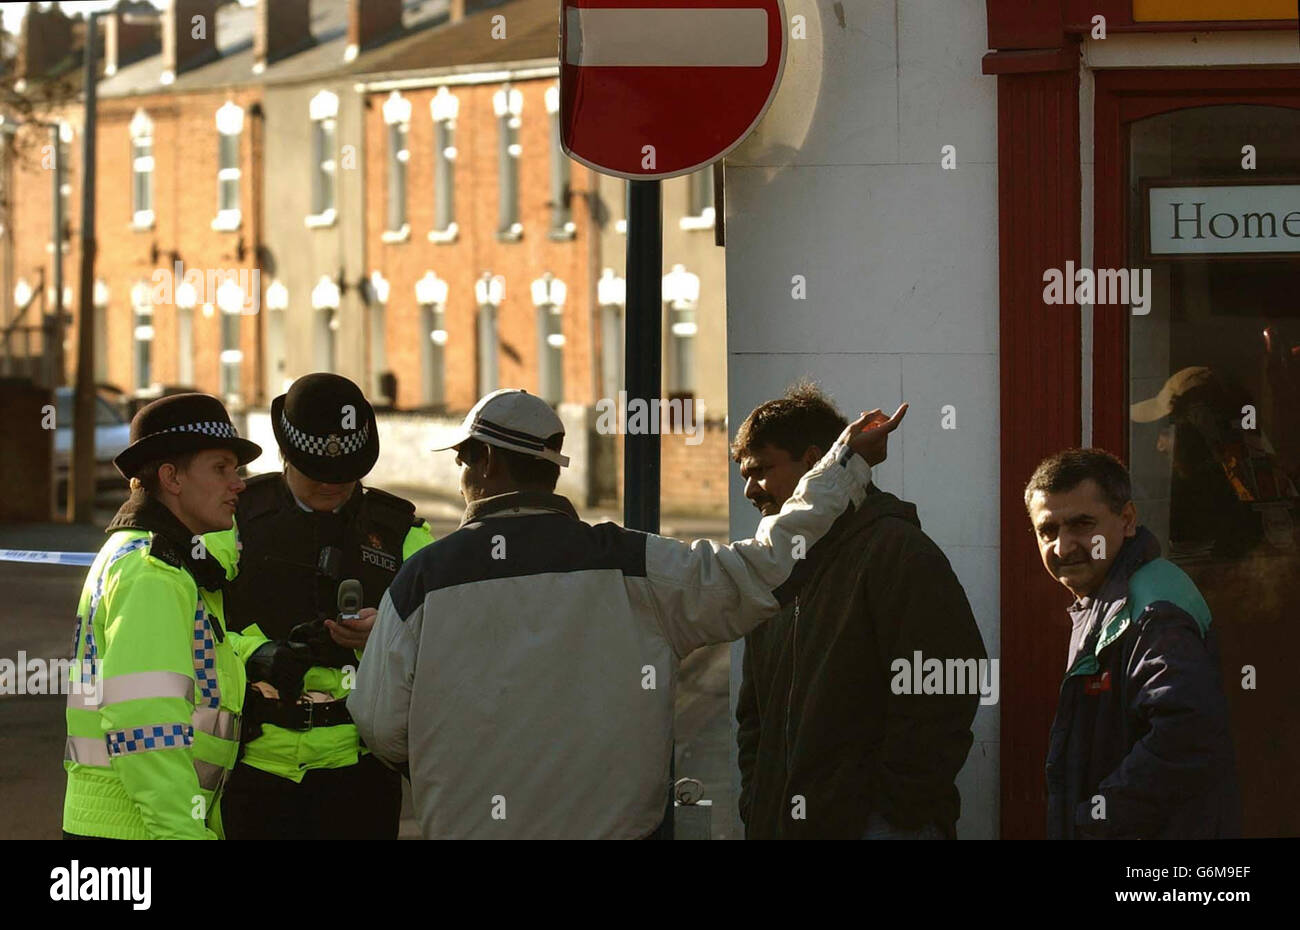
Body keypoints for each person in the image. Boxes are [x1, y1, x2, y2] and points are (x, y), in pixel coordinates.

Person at [349, 388, 907, 839]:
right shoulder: (632, 564)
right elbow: (762, 569)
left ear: (485, 459)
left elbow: (380, 724)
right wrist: (841, 465)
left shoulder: (420, 581)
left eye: (463, 459)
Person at [732, 382, 986, 839]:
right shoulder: (774, 571)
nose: (750, 489)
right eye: (744, 475)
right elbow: (754, 714)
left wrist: (890, 814)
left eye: (761, 470)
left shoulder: (896, 551)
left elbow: (950, 685)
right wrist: (757, 801)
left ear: (814, 460)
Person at [218, 373, 435, 840]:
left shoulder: (403, 534)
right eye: (318, 473)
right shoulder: (231, 522)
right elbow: (195, 628)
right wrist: (254, 654)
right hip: (255, 765)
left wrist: (385, 637)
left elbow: (444, 648)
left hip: (360, 774)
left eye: (346, 473)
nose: (334, 485)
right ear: (285, 455)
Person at [63, 393, 261, 839]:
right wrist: (182, 834)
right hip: (141, 829)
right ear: (171, 477)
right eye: (220, 468)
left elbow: (196, 662)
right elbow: (146, 725)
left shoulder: (147, 556)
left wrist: (256, 654)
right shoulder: (154, 572)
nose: (239, 483)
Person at [1024, 448, 1239, 839]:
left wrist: (1097, 817)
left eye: (1082, 524)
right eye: (1048, 530)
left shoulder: (1154, 610)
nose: (1063, 546)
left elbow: (1187, 734)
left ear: (1127, 520)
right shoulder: (1108, 595)